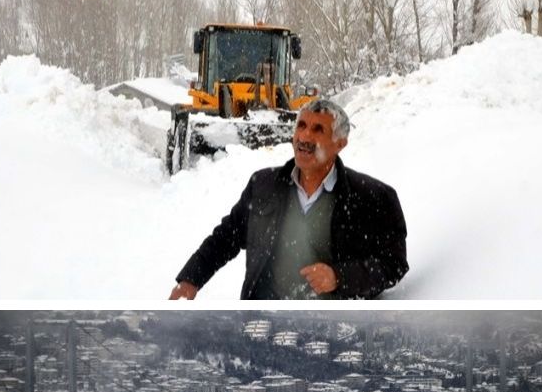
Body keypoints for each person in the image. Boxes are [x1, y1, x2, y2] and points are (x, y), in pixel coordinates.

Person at [168, 100, 408, 300]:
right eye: (301, 126)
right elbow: (224, 239)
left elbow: (393, 264)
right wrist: (190, 280)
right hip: (260, 322)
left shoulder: (374, 198)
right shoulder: (263, 186)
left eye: (317, 130)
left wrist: (339, 277)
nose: (304, 137)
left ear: (340, 144)